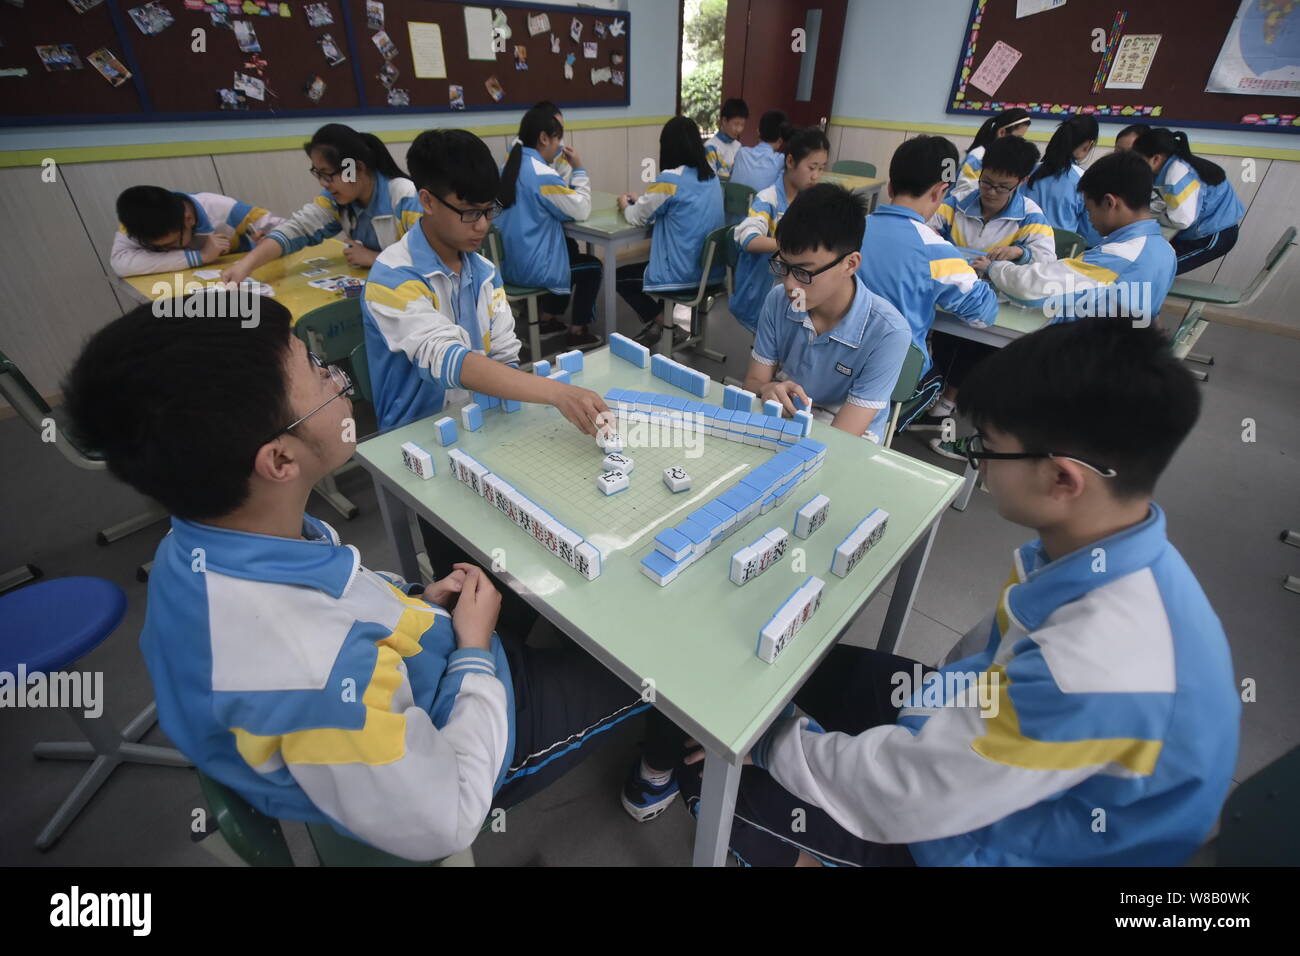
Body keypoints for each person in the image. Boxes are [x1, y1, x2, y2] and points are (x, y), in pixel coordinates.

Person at [62, 289, 659, 863]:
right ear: (279, 460)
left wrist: (420, 599)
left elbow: (340, 605)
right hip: (473, 741)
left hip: (419, 662)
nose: (339, 376)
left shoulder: (194, 543)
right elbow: (448, 815)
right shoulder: (307, 669)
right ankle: (672, 762)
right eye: (318, 372)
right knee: (658, 674)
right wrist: (474, 652)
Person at [675, 318, 1238, 867]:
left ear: (1064, 479)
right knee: (792, 680)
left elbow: (916, 793)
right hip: (983, 729)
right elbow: (983, 671)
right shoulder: (1106, 552)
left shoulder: (1095, 663)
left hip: (996, 839)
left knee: (715, 770)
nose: (977, 463)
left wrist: (775, 744)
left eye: (987, 447)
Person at [742, 183, 910, 443]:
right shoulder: (778, 301)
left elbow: (843, 439)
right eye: (783, 266)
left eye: (803, 272)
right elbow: (754, 381)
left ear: (850, 264)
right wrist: (767, 388)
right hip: (788, 419)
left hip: (847, 437)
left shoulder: (888, 332)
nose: (789, 285)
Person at [856, 135, 997, 434]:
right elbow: (983, 316)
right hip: (891, 375)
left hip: (834, 361)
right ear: (940, 191)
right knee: (937, 373)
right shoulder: (937, 250)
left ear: (890, 187)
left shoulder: (851, 229)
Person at [220, 124, 419, 284]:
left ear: (356, 168)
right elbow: (296, 230)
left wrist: (374, 258)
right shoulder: (337, 199)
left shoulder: (404, 195)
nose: (324, 183)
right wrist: (244, 266)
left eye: (328, 174)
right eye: (318, 174)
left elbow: (434, 260)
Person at [495, 104, 601, 349]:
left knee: (570, 250)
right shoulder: (542, 174)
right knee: (593, 267)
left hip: (506, 266)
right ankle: (577, 331)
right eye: (558, 139)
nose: (560, 146)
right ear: (543, 138)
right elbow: (581, 209)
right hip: (532, 269)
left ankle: (547, 320)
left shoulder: (508, 168)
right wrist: (579, 168)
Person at [614, 116, 725, 347]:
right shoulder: (712, 177)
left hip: (681, 276)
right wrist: (644, 201)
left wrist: (625, 203)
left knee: (619, 277)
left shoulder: (669, 180)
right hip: (711, 275)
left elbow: (637, 217)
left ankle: (664, 321)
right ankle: (661, 326)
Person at [729, 126, 829, 333]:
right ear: (791, 162)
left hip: (795, 292)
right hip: (763, 291)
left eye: (821, 168)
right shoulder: (768, 199)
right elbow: (748, 239)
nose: (816, 176)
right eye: (811, 168)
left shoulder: (809, 201)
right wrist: (794, 248)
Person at [1131, 128, 1245, 274]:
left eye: (1139, 160)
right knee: (1145, 260)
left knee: (1154, 270)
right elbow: (1159, 203)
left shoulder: (1178, 173)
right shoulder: (1166, 168)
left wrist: (1151, 218)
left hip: (1212, 235)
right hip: (1194, 230)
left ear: (1156, 158)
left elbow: (1182, 219)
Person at [110, 185, 281, 277]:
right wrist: (201, 256)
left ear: (188, 219)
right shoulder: (135, 225)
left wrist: (268, 239)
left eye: (172, 243)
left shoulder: (221, 207)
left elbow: (285, 229)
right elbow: (120, 263)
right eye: (157, 248)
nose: (168, 251)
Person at [1023, 114, 1104, 248]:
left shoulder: (1027, 172)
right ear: (1087, 145)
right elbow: (1090, 236)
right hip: (1059, 256)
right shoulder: (1085, 180)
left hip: (1019, 249)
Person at [956, 107, 1031, 191]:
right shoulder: (978, 156)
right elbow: (962, 193)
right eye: (1018, 137)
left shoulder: (1000, 157)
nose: (1019, 143)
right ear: (1002, 132)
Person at [728, 109, 790, 192]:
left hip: (734, 204)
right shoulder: (780, 161)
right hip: (759, 205)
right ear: (780, 141)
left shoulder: (741, 153)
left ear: (758, 132)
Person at [704, 97, 749, 176]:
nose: (739, 129)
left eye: (742, 125)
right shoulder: (710, 147)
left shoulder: (738, 147)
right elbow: (709, 181)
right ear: (724, 121)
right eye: (736, 124)